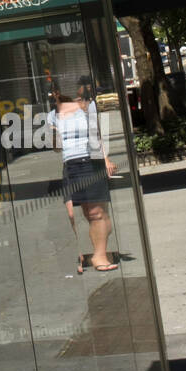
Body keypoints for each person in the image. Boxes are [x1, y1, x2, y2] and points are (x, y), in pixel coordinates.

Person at [48, 86, 118, 273]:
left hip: (90, 160)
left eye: (57, 95)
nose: (55, 98)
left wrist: (105, 159)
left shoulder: (86, 109)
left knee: (95, 213)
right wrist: (54, 137)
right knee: (77, 214)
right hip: (70, 165)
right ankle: (86, 251)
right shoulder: (52, 116)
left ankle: (99, 255)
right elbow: (56, 147)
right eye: (53, 97)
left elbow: (97, 137)